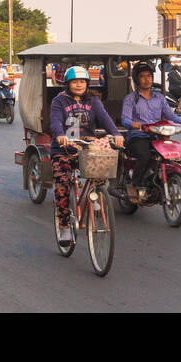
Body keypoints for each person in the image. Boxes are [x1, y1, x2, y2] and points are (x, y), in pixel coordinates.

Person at [49, 65, 123, 246]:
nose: (79, 85)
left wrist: (116, 134)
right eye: (75, 81)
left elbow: (105, 119)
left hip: (86, 145)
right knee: (62, 183)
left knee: (102, 164)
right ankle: (65, 226)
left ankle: (96, 195)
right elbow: (56, 121)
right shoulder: (59, 101)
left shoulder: (93, 101)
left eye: (82, 81)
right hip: (64, 148)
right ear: (68, 83)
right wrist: (60, 135)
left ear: (87, 83)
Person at [120, 62, 181, 201]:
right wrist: (133, 124)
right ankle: (134, 185)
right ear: (137, 79)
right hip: (138, 137)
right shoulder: (130, 99)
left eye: (149, 76)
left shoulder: (159, 97)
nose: (147, 79)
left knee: (175, 154)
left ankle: (161, 179)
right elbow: (125, 119)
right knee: (145, 155)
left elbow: (170, 115)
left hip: (157, 136)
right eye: (142, 76)